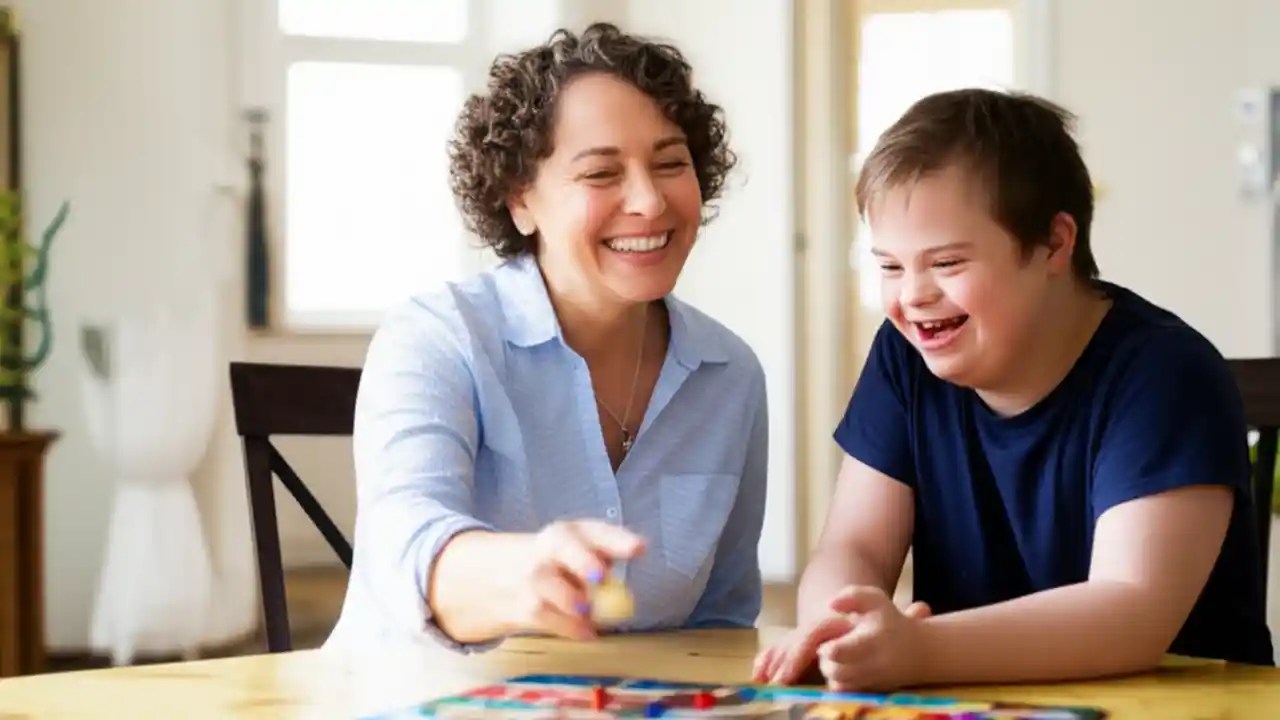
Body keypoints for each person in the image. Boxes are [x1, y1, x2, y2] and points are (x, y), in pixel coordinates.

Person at [754, 88, 1276, 691]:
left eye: (946, 263)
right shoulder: (906, 357)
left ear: (1055, 244)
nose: (912, 295)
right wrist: (839, 626)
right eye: (891, 266)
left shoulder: (1166, 374)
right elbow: (856, 545)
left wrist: (921, 650)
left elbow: (1131, 611)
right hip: (981, 698)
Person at [323, 22, 768, 654]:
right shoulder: (436, 339)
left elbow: (722, 624)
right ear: (520, 201)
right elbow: (405, 546)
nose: (648, 201)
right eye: (601, 173)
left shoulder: (730, 375)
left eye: (671, 163)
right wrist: (520, 573)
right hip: (413, 694)